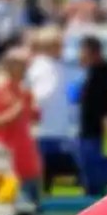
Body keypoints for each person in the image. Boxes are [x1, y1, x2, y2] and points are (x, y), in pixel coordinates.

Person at [0, 47, 42, 202]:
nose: (26, 68)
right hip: (6, 168)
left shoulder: (25, 93)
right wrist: (11, 115)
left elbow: (30, 121)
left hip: (28, 165)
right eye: (21, 64)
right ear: (8, 66)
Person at [75, 35, 107, 196]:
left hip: (106, 132)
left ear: (92, 52)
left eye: (82, 52)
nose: (80, 56)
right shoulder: (87, 72)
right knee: (91, 178)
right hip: (89, 132)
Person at [27, 27, 73, 195]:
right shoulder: (46, 68)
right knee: (46, 176)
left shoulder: (47, 66)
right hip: (47, 130)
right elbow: (43, 96)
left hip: (52, 128)